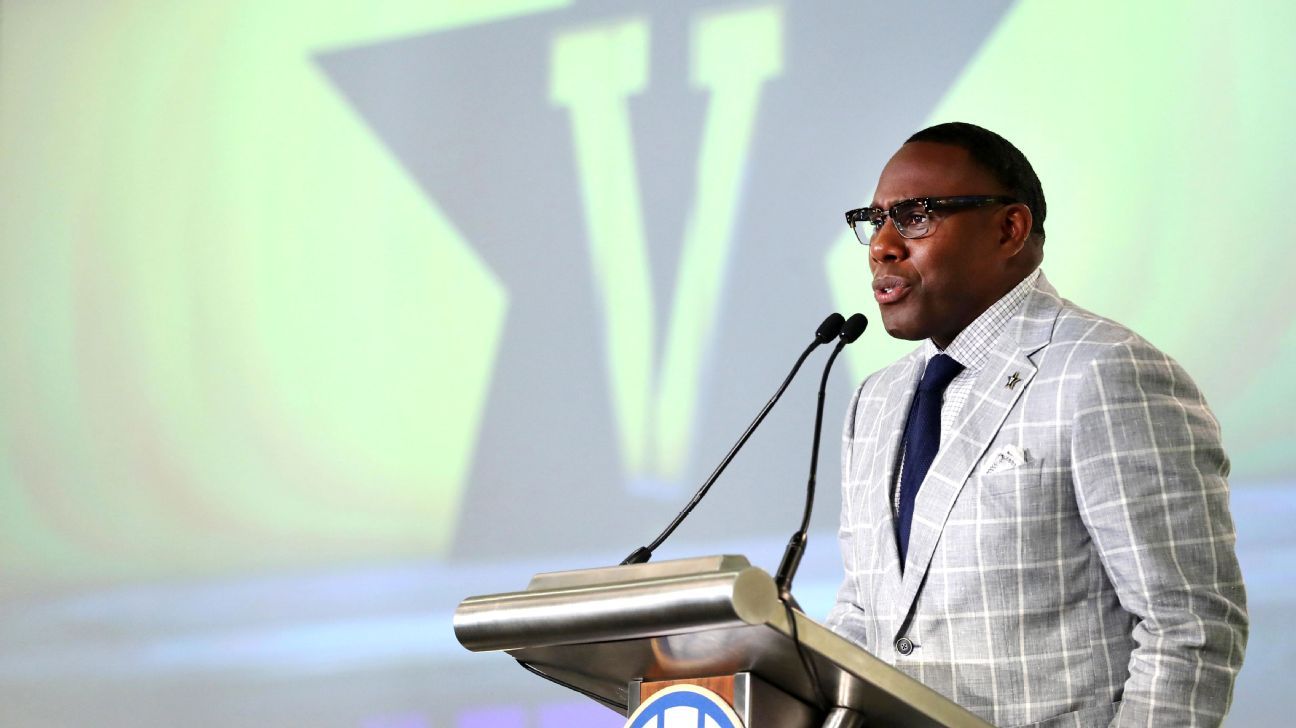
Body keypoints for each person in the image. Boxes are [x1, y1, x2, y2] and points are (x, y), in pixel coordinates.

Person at [825, 122, 1247, 727]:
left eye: (916, 216)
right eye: (875, 219)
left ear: (1009, 229)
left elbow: (1189, 626)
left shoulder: (1104, 371)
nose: (883, 245)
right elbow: (868, 612)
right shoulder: (877, 398)